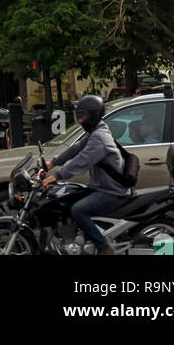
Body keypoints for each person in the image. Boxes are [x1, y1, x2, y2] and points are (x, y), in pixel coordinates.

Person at [42, 94, 124, 257]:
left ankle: (103, 247)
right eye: (79, 115)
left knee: (78, 210)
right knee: (69, 197)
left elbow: (82, 160)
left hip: (111, 191)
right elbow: (76, 148)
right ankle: (81, 237)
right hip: (101, 186)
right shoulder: (95, 131)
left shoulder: (99, 138)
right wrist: (52, 162)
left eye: (83, 115)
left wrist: (56, 175)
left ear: (93, 115)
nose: (80, 119)